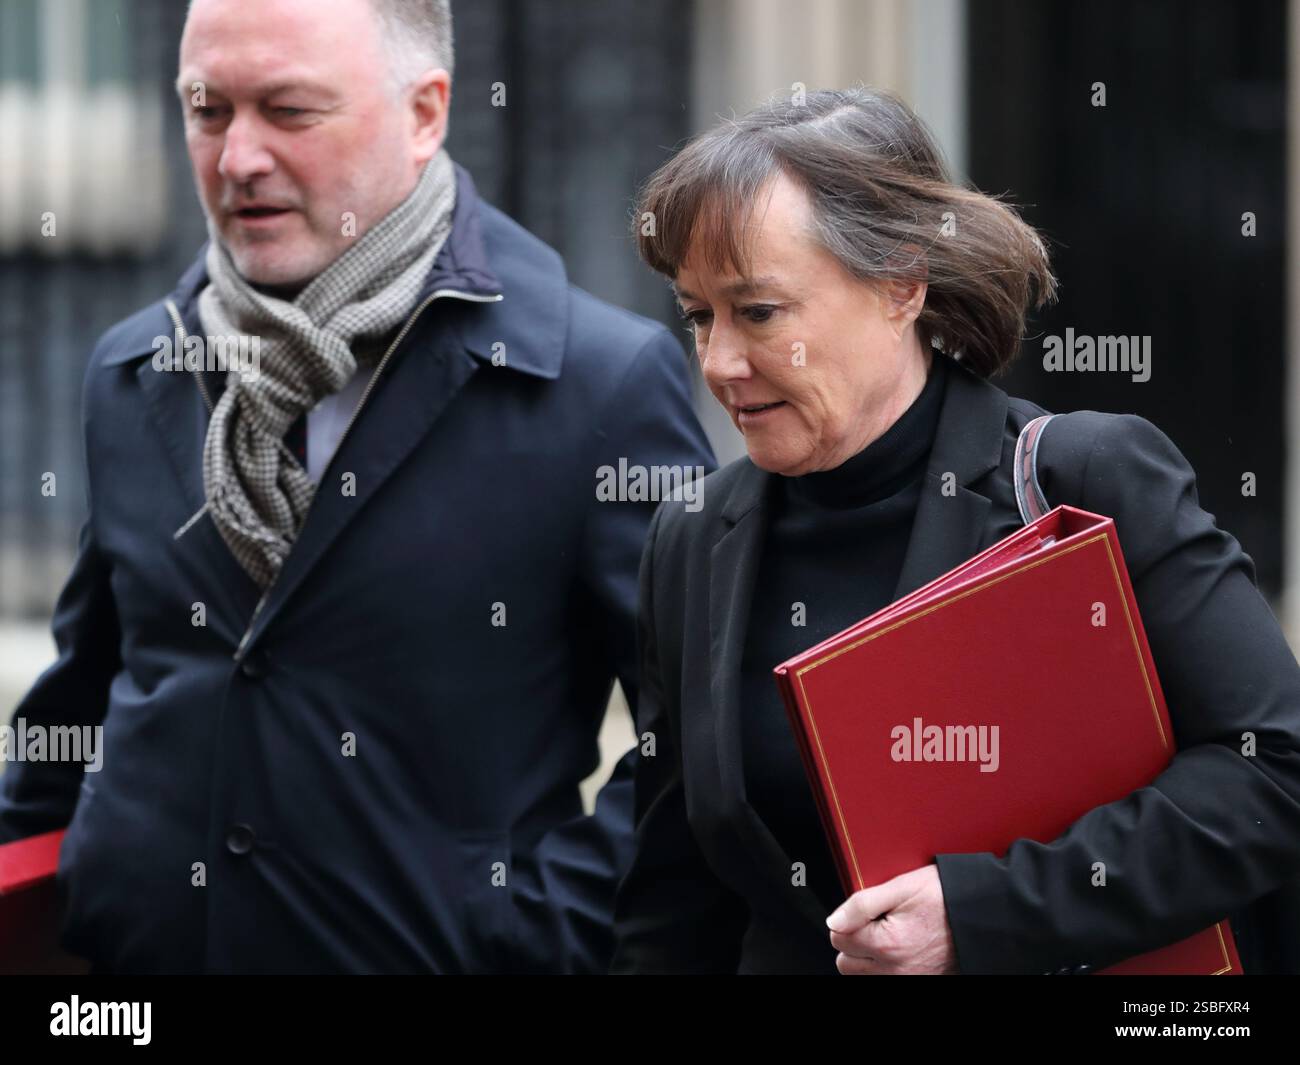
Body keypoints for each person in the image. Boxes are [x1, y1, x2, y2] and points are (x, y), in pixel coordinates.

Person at [0, 0, 713, 973]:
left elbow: (697, 750)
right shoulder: (137, 369)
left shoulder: (596, 382)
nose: (237, 157)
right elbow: (85, 702)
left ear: (426, 113)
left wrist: (525, 943)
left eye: (288, 111)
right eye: (208, 111)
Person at [609, 87, 1300, 975]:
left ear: (901, 283)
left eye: (759, 312)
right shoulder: (693, 538)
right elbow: (674, 906)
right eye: (699, 314)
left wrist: (979, 913)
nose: (718, 362)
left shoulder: (1084, 483)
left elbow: (1273, 773)